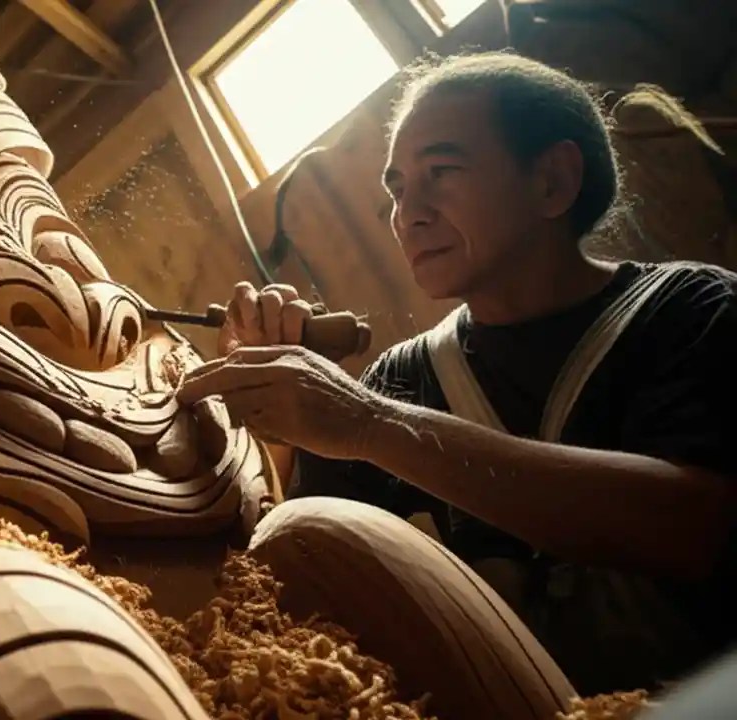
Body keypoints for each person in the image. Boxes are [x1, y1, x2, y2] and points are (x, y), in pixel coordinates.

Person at [178, 51, 737, 698]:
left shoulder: (693, 311)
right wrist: (281, 416)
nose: (407, 214)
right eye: (396, 188)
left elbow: (697, 529)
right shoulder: (408, 376)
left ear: (552, 182)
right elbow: (301, 567)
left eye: (441, 173)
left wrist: (365, 423)